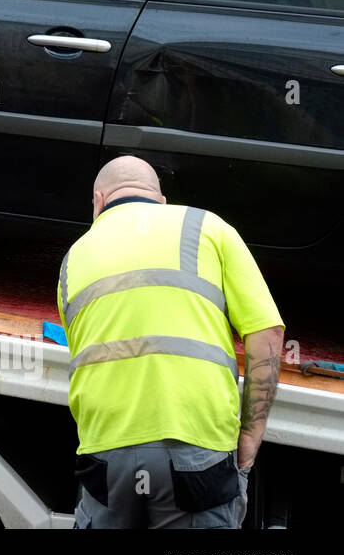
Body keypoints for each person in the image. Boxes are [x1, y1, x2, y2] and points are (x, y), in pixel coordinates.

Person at [59, 156, 285, 528]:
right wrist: (248, 442)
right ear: (161, 200)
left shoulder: (72, 260)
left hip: (106, 455)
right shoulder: (207, 227)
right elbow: (267, 334)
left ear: (98, 201)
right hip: (195, 449)